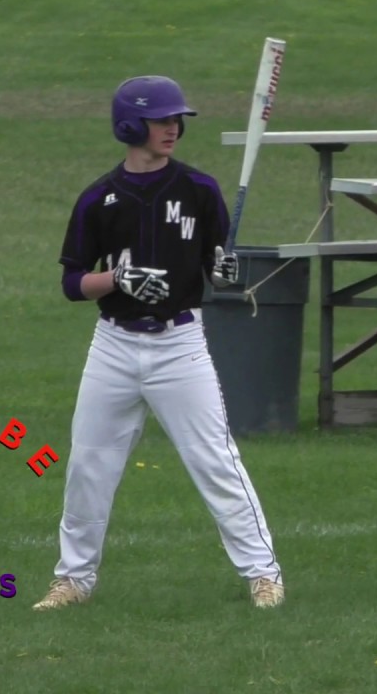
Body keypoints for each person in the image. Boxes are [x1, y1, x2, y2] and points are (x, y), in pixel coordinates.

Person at [33, 75, 285, 611]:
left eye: (177, 120)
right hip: (113, 347)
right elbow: (72, 283)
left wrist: (227, 270)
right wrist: (117, 280)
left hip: (180, 346)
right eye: (161, 119)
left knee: (215, 460)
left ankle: (264, 575)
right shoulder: (99, 199)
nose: (173, 128)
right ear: (130, 126)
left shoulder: (199, 190)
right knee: (87, 466)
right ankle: (73, 580)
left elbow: (221, 275)